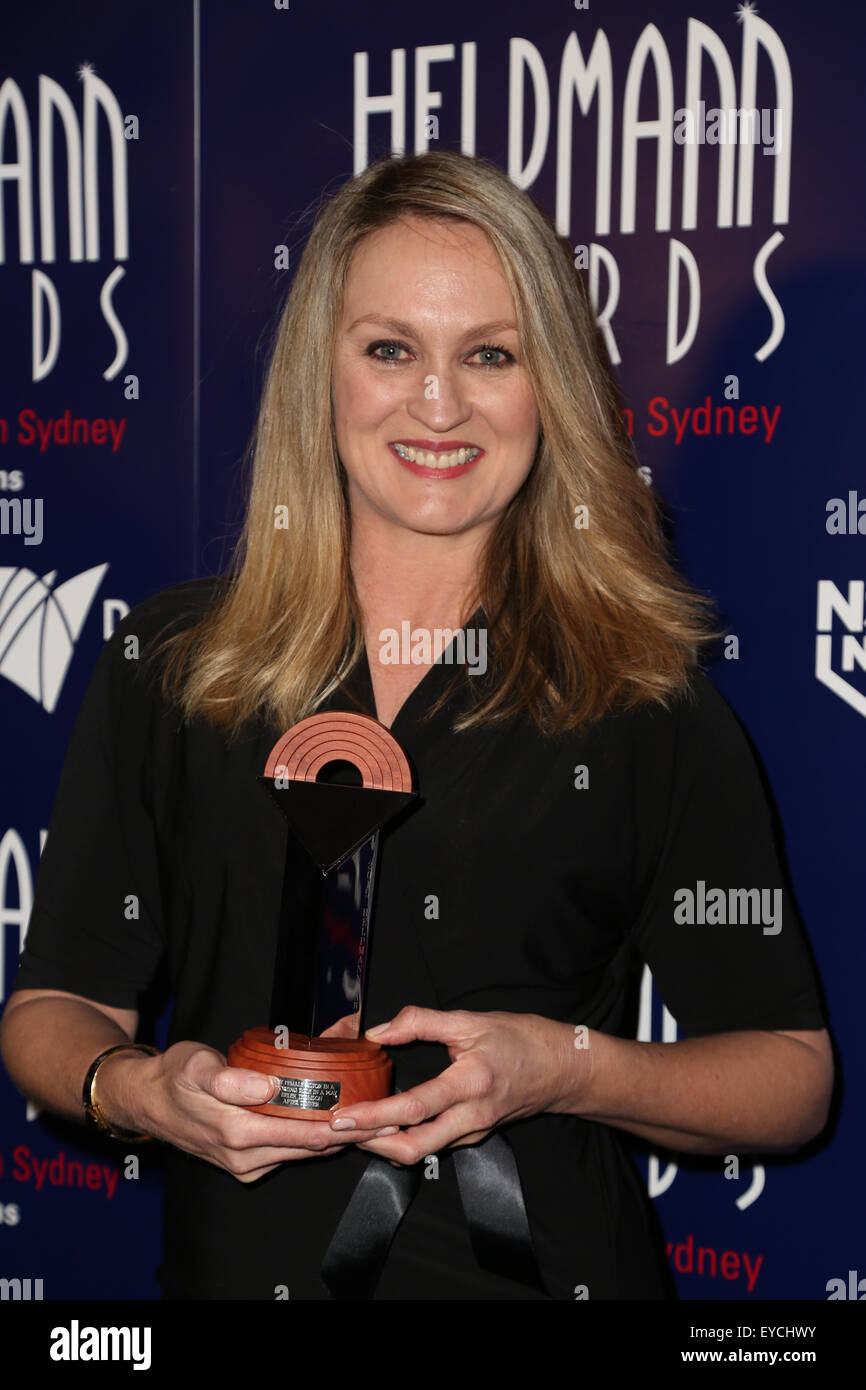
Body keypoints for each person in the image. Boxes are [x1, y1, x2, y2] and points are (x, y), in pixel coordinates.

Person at [0, 150, 832, 1301]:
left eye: (488, 354)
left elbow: (787, 1076)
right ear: (321, 376)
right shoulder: (178, 667)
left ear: (550, 385)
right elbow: (55, 1007)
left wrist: (561, 1069)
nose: (436, 403)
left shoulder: (638, 696)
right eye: (389, 348)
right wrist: (139, 1090)